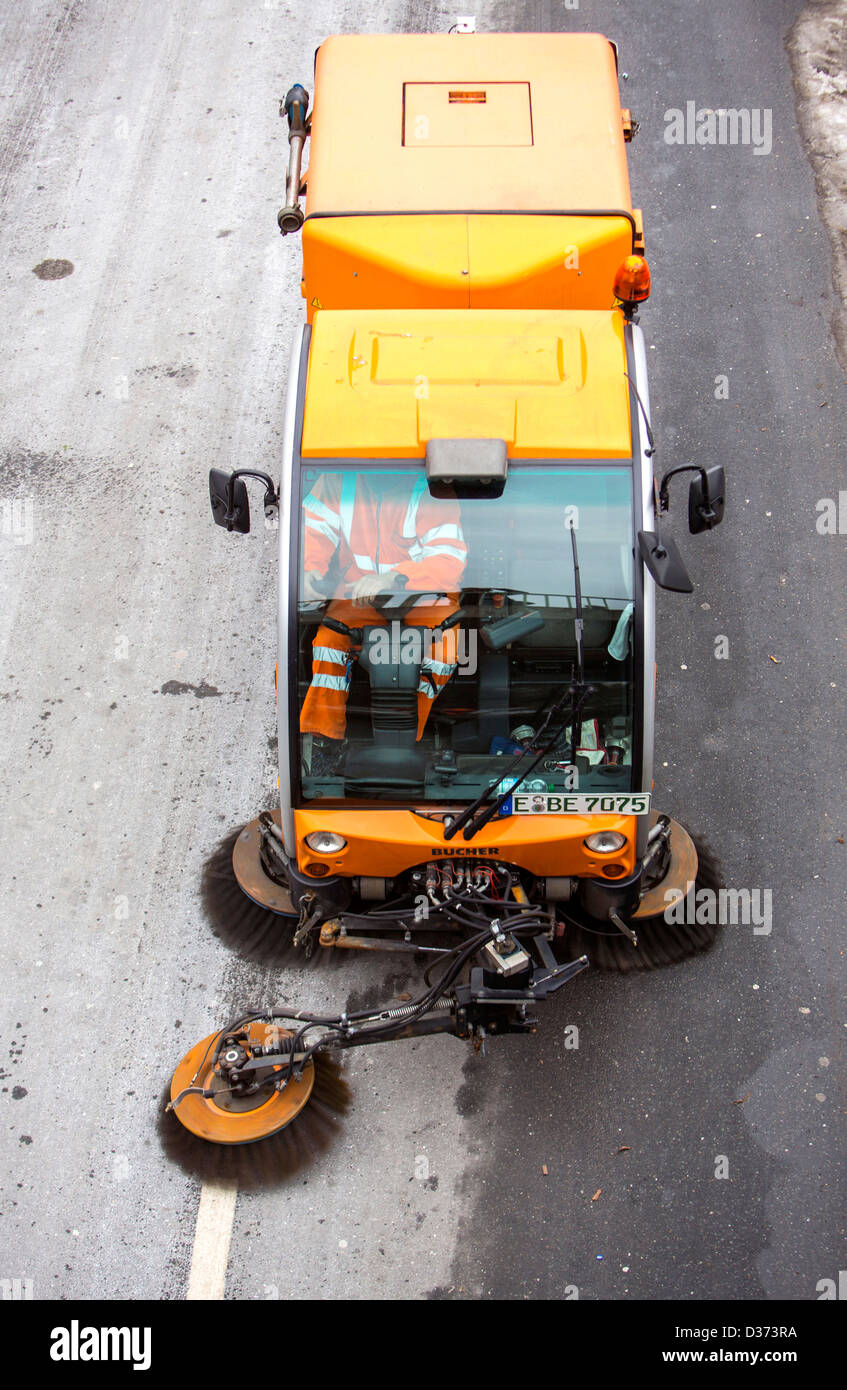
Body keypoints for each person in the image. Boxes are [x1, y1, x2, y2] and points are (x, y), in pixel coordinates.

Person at [299, 471, 467, 745]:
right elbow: (312, 529)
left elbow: (447, 559)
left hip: (427, 594)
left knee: (444, 652)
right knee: (329, 642)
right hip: (359, 590)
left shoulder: (432, 490)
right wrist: (308, 570)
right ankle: (323, 740)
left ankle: (410, 739)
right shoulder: (337, 479)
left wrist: (394, 578)